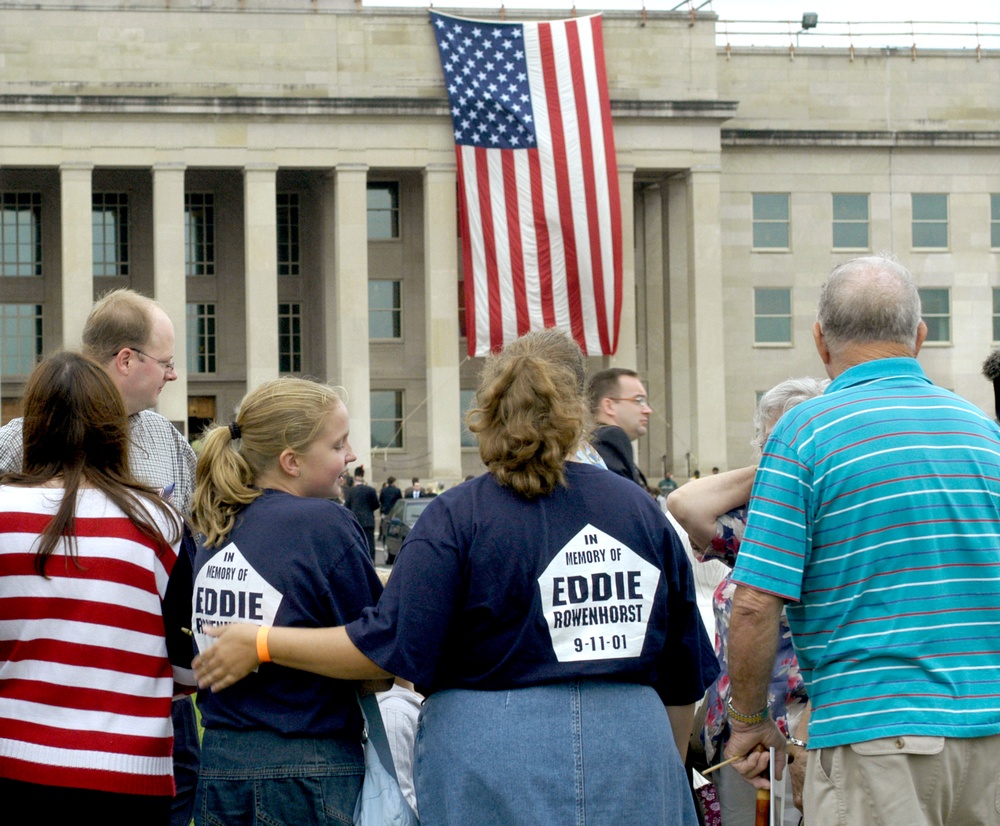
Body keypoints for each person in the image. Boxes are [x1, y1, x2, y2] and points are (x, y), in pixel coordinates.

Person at [194, 328, 719, 826]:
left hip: (486, 756)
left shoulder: (455, 516)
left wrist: (263, 642)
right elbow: (681, 669)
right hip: (630, 748)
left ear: (486, 414)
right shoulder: (639, 511)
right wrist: (663, 771)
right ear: (576, 413)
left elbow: (390, 645)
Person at [724, 256, 1000, 826]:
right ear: (920, 337)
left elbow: (754, 602)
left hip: (875, 736)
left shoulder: (805, 433)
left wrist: (747, 719)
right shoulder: (984, 433)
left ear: (820, 340)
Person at [0, 287, 200, 826]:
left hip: (146, 720)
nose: (174, 375)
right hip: (31, 728)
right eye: (167, 362)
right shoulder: (13, 443)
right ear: (127, 359)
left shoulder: (169, 443)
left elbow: (184, 575)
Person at [188, 377, 384, 826]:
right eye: (338, 445)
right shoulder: (323, 524)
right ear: (291, 461)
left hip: (220, 765)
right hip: (306, 768)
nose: (351, 456)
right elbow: (379, 656)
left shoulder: (216, 525)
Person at [668, 377, 827, 825]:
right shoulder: (759, 523)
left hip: (805, 734)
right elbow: (684, 504)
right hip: (737, 737)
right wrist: (779, 469)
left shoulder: (838, 515)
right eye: (776, 441)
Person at [586, 367, 652, 486]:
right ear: (609, 406)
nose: (648, 410)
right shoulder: (611, 440)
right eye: (639, 400)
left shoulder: (589, 447)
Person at [344, 465, 379, 561]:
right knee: (370, 545)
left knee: (358, 544)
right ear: (363, 475)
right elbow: (376, 505)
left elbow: (347, 506)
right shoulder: (370, 490)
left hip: (355, 521)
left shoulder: (351, 491)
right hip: (368, 521)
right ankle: (371, 563)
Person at [378, 475, 402, 546]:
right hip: (394, 511)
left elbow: (381, 500)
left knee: (385, 525)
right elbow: (399, 500)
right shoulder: (397, 490)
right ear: (394, 482)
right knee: (394, 526)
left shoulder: (383, 490)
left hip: (385, 510)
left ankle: (384, 537)